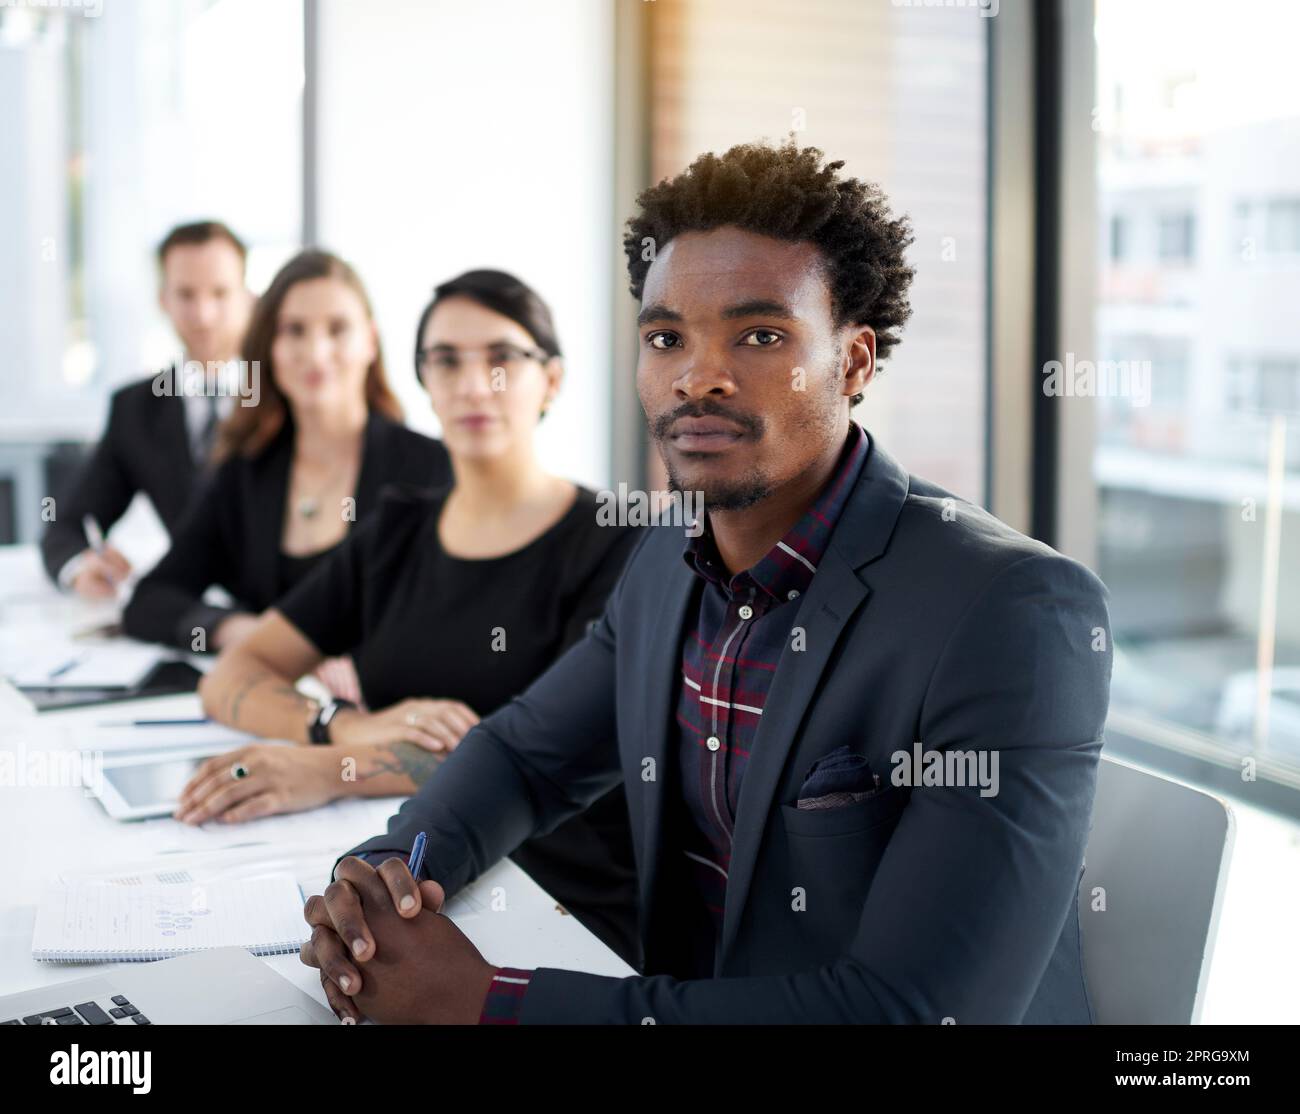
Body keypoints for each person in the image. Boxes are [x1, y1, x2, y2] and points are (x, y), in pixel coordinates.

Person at [300, 139, 1113, 1026]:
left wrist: (491, 1005)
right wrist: (385, 877)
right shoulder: (669, 555)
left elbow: (911, 1012)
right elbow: (526, 757)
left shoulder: (1010, 613)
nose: (698, 377)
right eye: (666, 338)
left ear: (854, 363)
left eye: (760, 335)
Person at [173, 270, 642, 967]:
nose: (472, 384)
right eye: (446, 360)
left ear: (552, 380)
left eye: (502, 358)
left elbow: (537, 755)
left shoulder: (614, 542)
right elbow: (236, 672)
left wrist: (333, 768)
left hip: (558, 896)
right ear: (422, 378)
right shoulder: (397, 528)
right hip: (403, 865)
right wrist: (337, 725)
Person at [122, 250, 451, 655]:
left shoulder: (433, 470)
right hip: (270, 706)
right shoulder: (245, 473)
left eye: (337, 329)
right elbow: (150, 600)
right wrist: (241, 630)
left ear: (370, 341)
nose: (315, 352)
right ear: (270, 348)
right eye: (294, 330)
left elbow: (455, 621)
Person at [41, 221, 254, 598]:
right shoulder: (135, 410)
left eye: (220, 293)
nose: (203, 315)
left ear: (248, 298)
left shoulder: (284, 398)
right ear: (163, 300)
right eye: (186, 294)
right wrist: (81, 566)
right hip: (182, 616)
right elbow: (65, 522)